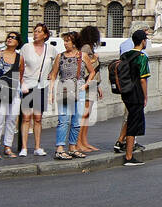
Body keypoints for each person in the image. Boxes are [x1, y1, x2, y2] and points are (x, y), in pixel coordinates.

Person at [19, 23, 60, 156]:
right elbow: (19, 65)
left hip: (42, 86)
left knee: (37, 118)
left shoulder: (51, 49)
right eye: (35, 31)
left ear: (45, 35)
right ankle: (24, 147)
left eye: (38, 31)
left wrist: (52, 73)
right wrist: (21, 82)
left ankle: (37, 147)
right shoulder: (26, 47)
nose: (35, 33)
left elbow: (58, 61)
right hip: (27, 85)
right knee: (26, 117)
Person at [47, 31, 88, 160]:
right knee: (63, 120)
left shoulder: (83, 56)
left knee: (76, 121)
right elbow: (53, 75)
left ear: (74, 43)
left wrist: (86, 85)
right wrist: (51, 92)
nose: (65, 43)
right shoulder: (60, 57)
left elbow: (92, 72)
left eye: (67, 41)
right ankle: (60, 148)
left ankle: (72, 147)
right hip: (64, 89)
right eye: (64, 41)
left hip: (79, 90)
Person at [117, 30, 150, 166]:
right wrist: (145, 96)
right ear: (143, 41)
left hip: (126, 92)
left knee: (130, 117)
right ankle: (129, 156)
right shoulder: (142, 57)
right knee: (133, 123)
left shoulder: (125, 55)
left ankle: (120, 142)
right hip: (136, 92)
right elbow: (143, 79)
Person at [0, 32, 23, 159]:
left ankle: (7, 146)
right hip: (0, 88)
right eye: (9, 37)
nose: (10, 39)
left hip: (14, 89)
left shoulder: (19, 57)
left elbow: (21, 74)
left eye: (13, 37)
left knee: (11, 119)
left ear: (18, 42)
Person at [76, 26, 102, 153]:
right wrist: (94, 58)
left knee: (87, 115)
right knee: (84, 115)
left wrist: (98, 86)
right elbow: (83, 63)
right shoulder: (86, 47)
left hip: (92, 84)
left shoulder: (90, 47)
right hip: (87, 84)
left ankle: (84, 141)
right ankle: (78, 142)